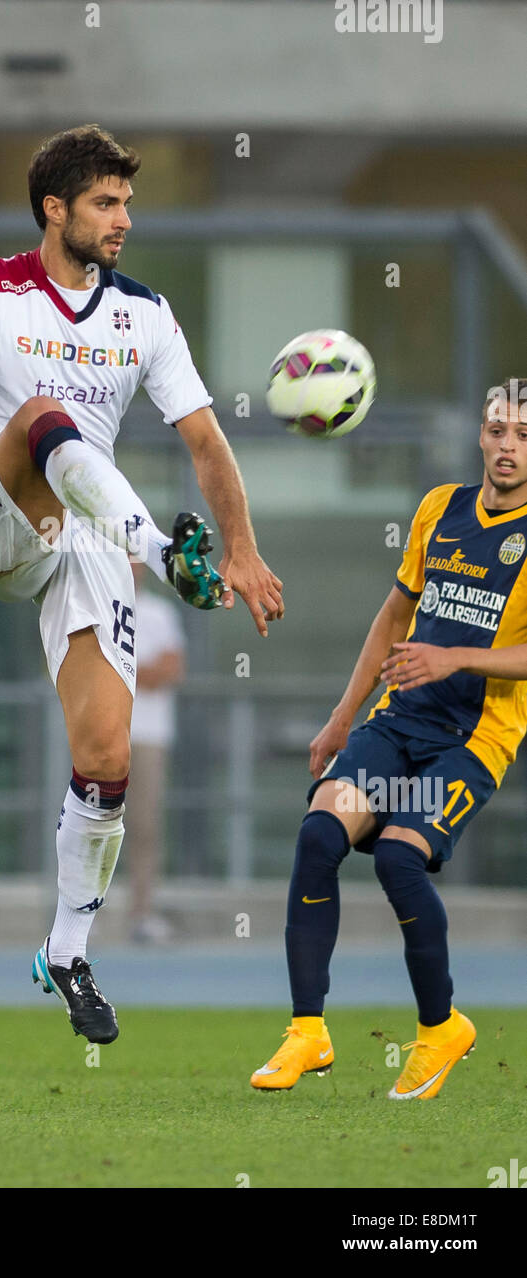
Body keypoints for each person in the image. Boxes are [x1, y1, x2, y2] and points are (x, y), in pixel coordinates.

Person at [0, 123, 283, 1044]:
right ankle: (162, 555)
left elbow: (202, 437)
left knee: (105, 755)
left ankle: (66, 952)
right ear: (54, 209)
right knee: (43, 414)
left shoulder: (144, 314)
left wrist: (243, 548)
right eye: (106, 203)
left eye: (127, 204)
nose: (123, 220)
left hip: (88, 536)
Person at [252, 378, 527, 1100]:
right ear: (479, 433)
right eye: (497, 430)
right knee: (318, 838)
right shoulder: (439, 508)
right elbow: (391, 617)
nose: (507, 447)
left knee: (399, 861)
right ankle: (306, 1032)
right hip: (397, 719)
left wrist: (457, 657)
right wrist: (343, 715)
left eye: (523, 436)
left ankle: (441, 1028)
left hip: (471, 739)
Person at [127, 559, 185, 942]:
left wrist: (127, 671)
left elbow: (170, 669)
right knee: (92, 826)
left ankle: (141, 913)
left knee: (145, 828)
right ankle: (81, 915)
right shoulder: (94, 609)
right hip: (101, 734)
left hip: (148, 736)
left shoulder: (160, 613)